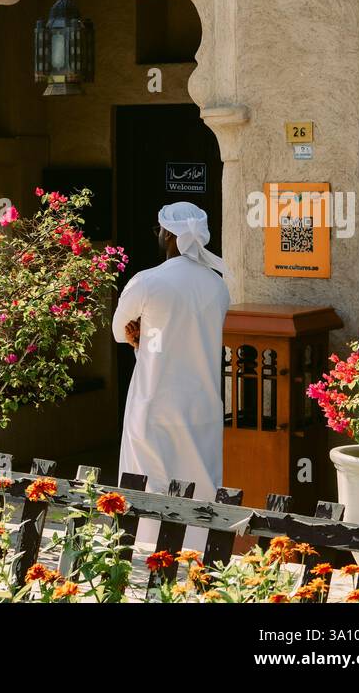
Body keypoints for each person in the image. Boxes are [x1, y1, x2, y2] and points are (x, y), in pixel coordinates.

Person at [112, 201, 230, 545]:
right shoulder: (217, 285)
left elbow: (120, 330)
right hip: (202, 404)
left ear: (167, 235)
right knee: (201, 484)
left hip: (155, 400)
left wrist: (141, 333)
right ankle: (198, 556)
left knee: (148, 483)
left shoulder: (147, 282)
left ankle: (149, 554)